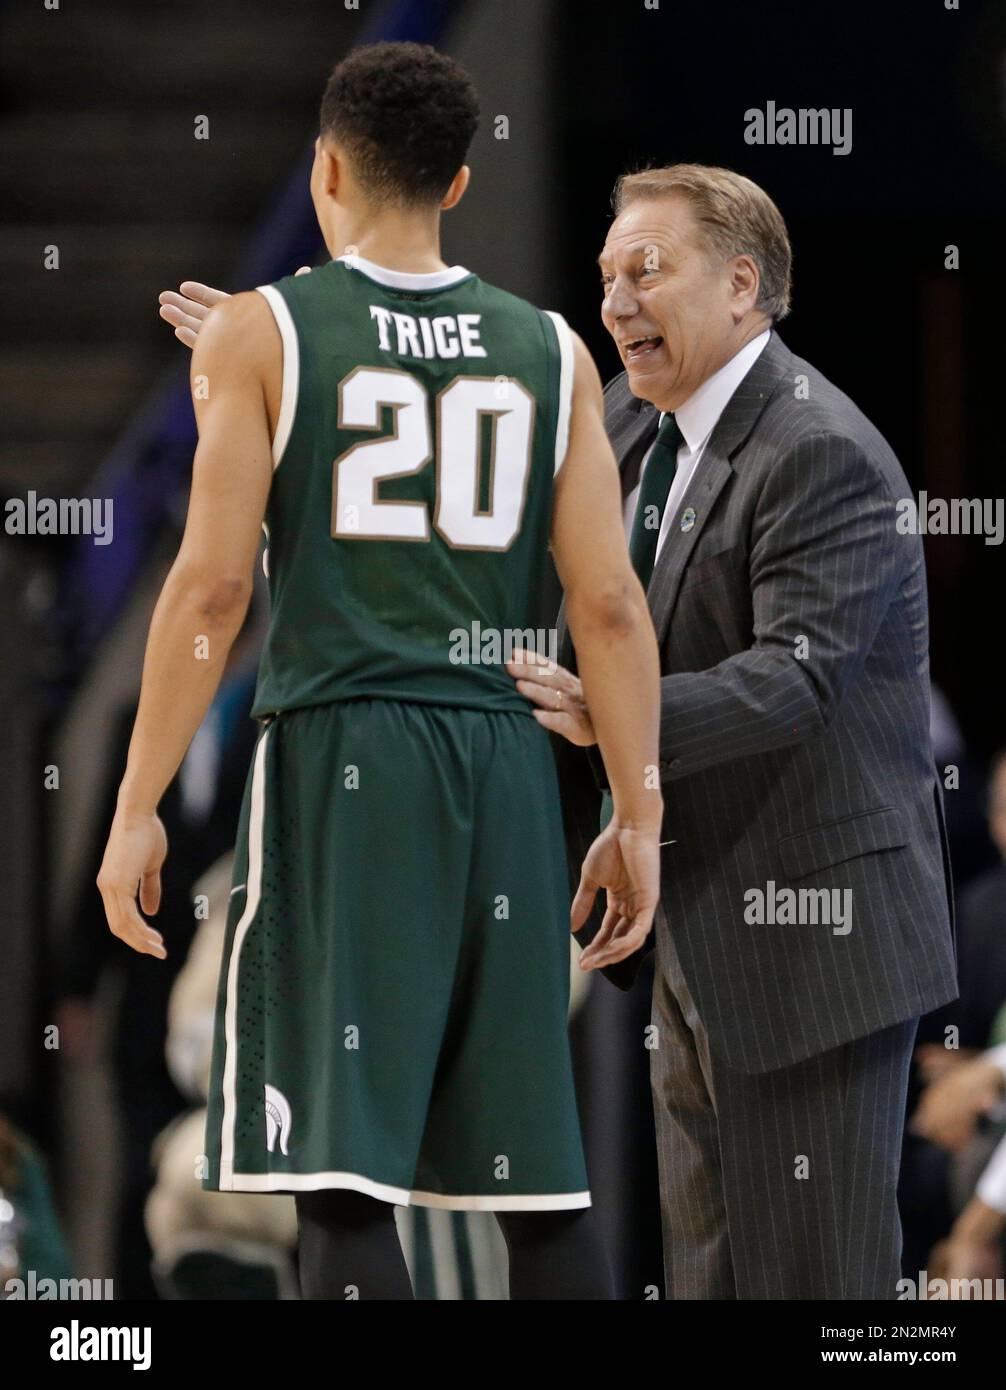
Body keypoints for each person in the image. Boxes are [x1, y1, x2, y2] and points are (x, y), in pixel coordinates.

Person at [97, 42, 662, 1301]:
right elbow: (612, 608)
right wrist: (637, 813)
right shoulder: (556, 349)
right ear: (460, 185)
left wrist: (136, 805)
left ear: (326, 168)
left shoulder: (268, 331)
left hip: (346, 757)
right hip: (507, 765)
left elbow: (209, 590)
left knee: (342, 1179)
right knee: (536, 1190)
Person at [511, 164, 958, 1299]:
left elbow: (790, 682)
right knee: (710, 1273)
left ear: (742, 284)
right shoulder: (621, 423)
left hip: (814, 942)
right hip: (691, 925)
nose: (615, 303)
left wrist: (612, 719)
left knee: (816, 1281)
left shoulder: (821, 452)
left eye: (645, 272)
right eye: (606, 274)